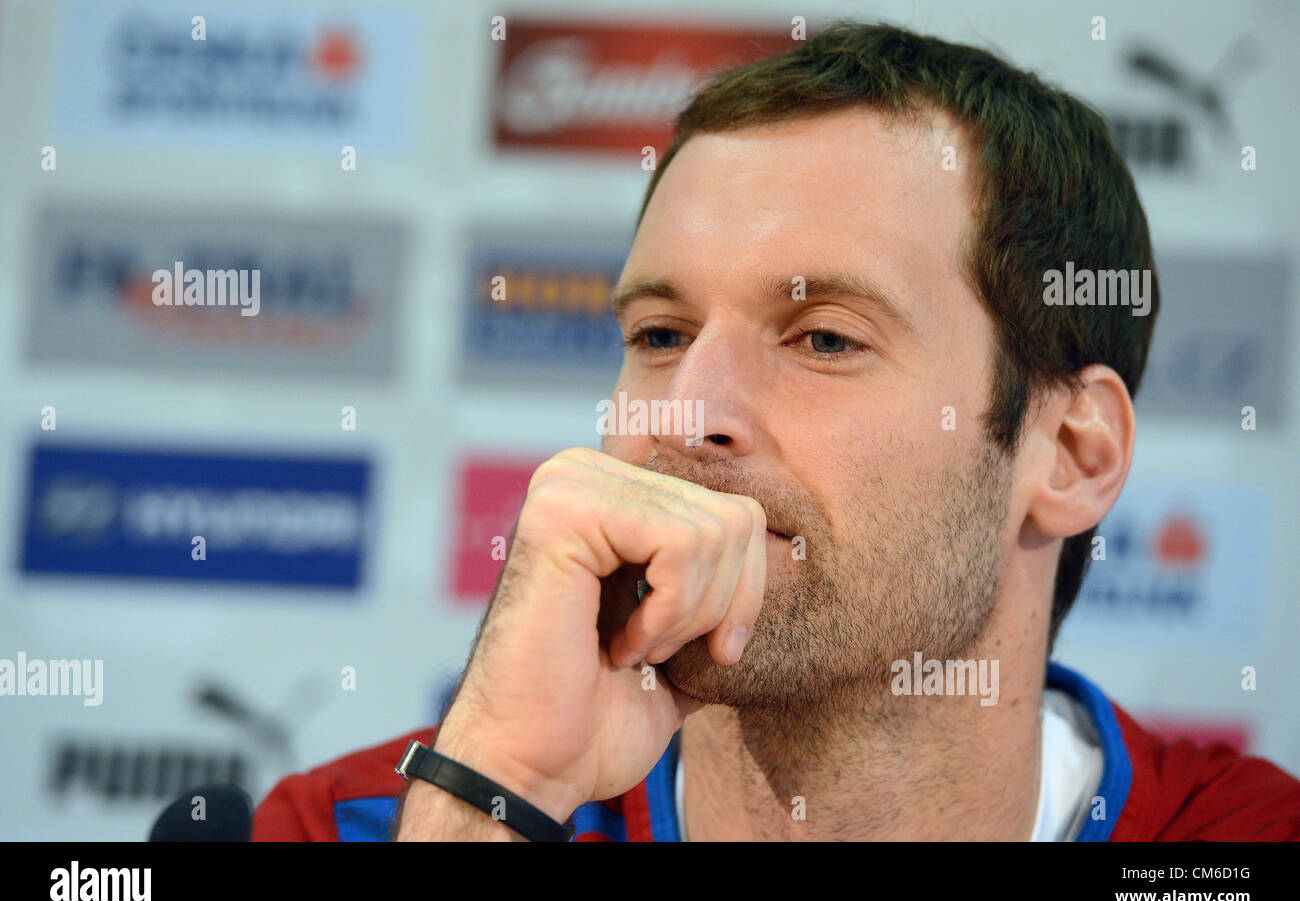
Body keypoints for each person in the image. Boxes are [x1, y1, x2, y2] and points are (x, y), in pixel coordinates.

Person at [252, 21, 1300, 842]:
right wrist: (503, 790)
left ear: (1072, 454)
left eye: (825, 340)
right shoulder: (367, 825)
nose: (687, 413)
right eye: (659, 332)